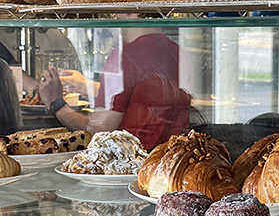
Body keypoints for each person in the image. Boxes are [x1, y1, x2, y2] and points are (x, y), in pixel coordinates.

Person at [38, 31, 191, 150]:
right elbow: (145, 97)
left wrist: (57, 104)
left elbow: (99, 130)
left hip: (129, 161)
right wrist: (88, 86)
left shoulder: (123, 55)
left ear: (131, 11)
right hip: (166, 158)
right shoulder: (175, 49)